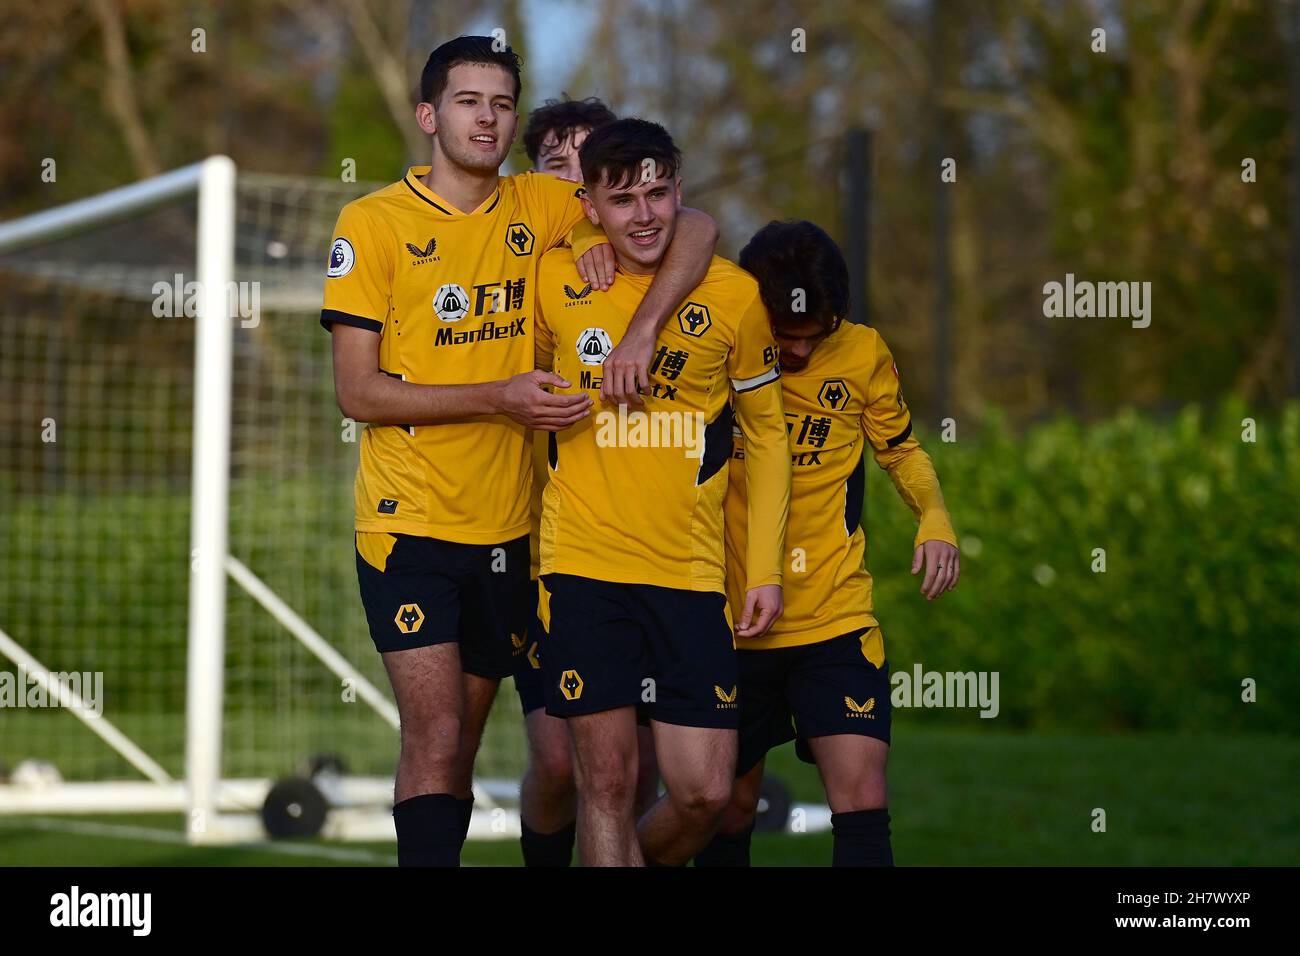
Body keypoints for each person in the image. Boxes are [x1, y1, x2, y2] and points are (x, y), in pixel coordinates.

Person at [321, 36, 717, 867]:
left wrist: (637, 315)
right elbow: (357, 394)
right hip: (410, 525)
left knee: (523, 756)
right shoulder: (372, 224)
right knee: (435, 735)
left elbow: (694, 223)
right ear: (430, 115)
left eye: (502, 104)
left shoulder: (542, 204)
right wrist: (498, 395)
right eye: (469, 102)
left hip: (522, 536)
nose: (488, 118)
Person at [533, 119, 791, 866]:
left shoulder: (735, 296)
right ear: (592, 209)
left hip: (688, 573)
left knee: (707, 794)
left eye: (657, 193)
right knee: (606, 785)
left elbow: (769, 437)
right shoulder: (560, 278)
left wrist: (766, 568)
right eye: (622, 201)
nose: (643, 215)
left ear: (679, 190)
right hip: (583, 566)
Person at [696, 220, 959, 868]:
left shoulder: (865, 353)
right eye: (784, 342)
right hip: (731, 623)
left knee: (863, 794)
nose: (799, 356)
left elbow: (900, 450)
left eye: (813, 340)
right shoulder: (711, 351)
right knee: (727, 804)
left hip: (832, 618)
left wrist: (934, 515)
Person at [513, 95, 661, 866]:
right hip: (545, 554)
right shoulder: (529, 265)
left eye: (588, 164)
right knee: (565, 764)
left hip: (653, 557)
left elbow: (698, 226)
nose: (574, 180)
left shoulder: (665, 253)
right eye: (555, 165)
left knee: (637, 776)